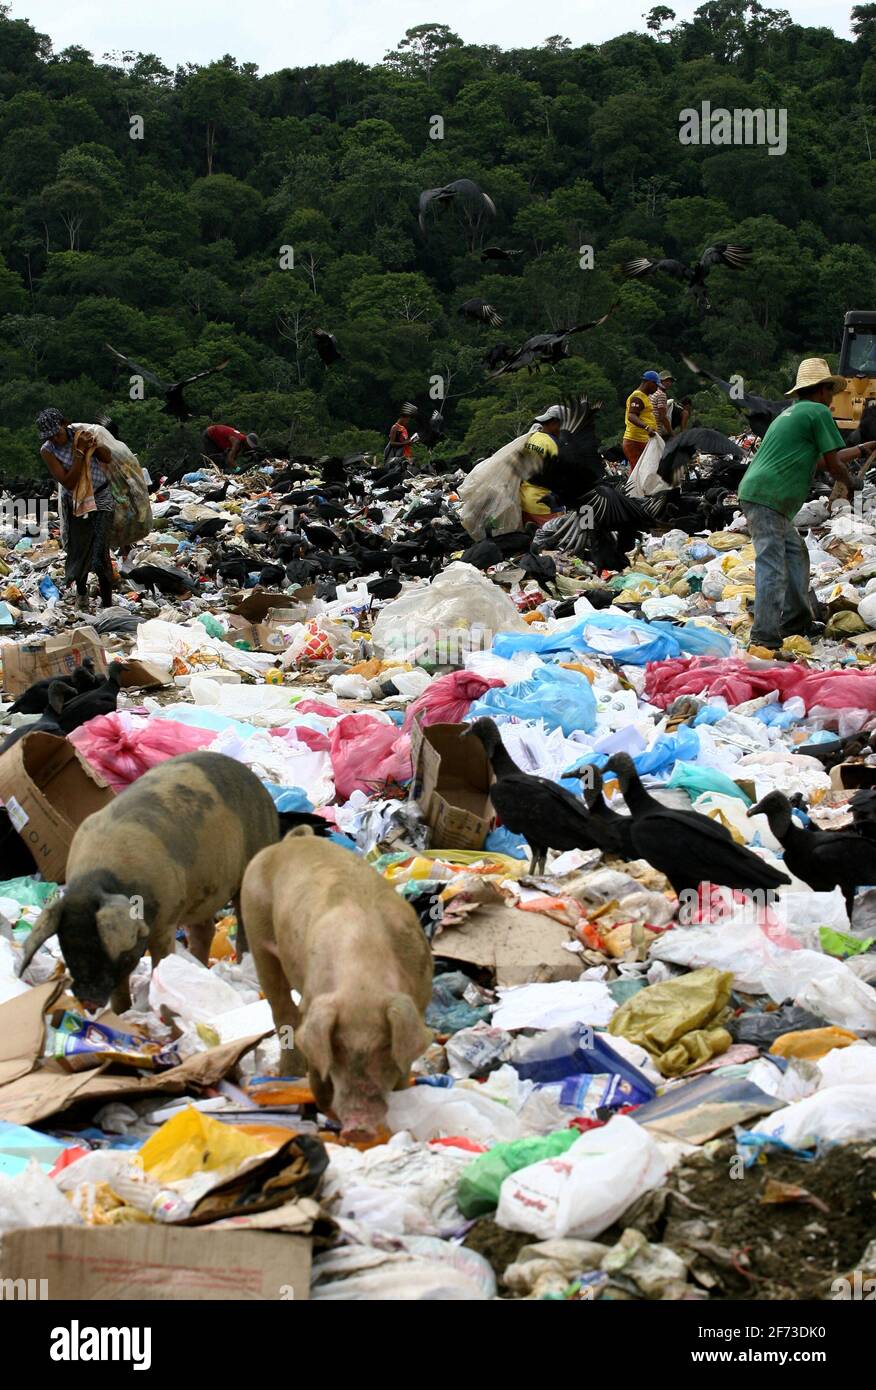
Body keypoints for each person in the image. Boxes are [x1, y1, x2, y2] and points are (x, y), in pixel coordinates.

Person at [738, 358, 876, 656]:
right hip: (767, 497)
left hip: (762, 494)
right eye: (830, 389)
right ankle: (764, 637)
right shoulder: (817, 412)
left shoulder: (795, 413)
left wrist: (866, 448)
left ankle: (795, 621)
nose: (832, 395)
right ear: (821, 389)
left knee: (796, 555)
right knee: (772, 567)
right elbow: (834, 464)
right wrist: (851, 483)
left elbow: (822, 460)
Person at [38, 408, 115, 611]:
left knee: (100, 555)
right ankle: (82, 593)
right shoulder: (48, 450)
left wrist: (93, 444)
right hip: (76, 503)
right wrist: (79, 453)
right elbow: (68, 482)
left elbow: (107, 458)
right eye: (50, 436)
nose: (55, 438)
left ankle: (108, 605)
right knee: (79, 552)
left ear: (65, 424)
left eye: (58, 433)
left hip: (101, 497)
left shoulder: (81, 433)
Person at [623, 371, 661, 468]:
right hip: (635, 440)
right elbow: (631, 416)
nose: (657, 389)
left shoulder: (644, 396)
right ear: (649, 383)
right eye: (656, 385)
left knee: (641, 470)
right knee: (639, 471)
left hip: (641, 440)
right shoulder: (638, 396)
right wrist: (647, 427)